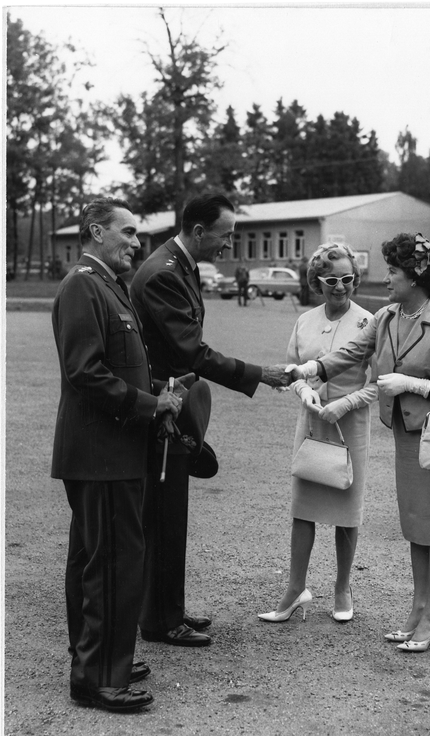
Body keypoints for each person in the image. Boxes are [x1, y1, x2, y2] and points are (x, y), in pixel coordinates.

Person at [288, 232, 430, 652]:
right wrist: (314, 366)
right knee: (416, 526)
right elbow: (353, 352)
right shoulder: (388, 316)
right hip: (408, 436)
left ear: (415, 277)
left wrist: (414, 384)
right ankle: (418, 610)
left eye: (392, 271)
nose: (385, 277)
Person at [130, 193, 290, 648]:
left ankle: (168, 610)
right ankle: (160, 621)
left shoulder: (179, 264)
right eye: (226, 235)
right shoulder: (164, 273)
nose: (229, 245)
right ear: (199, 231)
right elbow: (189, 352)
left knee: (170, 513)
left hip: (173, 403)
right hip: (163, 408)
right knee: (163, 516)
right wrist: (258, 374)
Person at [52, 198, 183, 712]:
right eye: (127, 233)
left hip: (110, 449)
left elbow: (118, 366)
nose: (136, 242)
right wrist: (153, 405)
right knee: (111, 561)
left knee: (96, 557)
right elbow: (84, 372)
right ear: (95, 232)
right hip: (101, 451)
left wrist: (160, 389)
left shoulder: (107, 284)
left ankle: (99, 656)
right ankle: (97, 677)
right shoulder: (84, 285)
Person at [258, 243, 377, 624]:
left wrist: (348, 402)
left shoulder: (370, 322)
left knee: (347, 505)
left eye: (347, 279)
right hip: (310, 419)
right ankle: (296, 587)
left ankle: (343, 587)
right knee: (303, 505)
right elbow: (292, 369)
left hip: (350, 421)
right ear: (317, 281)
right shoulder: (304, 320)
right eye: (331, 280)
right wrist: (302, 389)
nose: (340, 287)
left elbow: (379, 383)